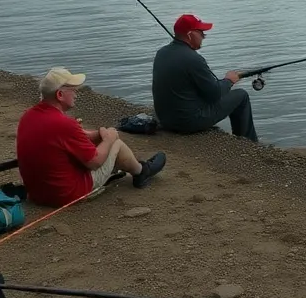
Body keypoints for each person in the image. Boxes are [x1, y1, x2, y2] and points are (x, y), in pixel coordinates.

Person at [16, 67, 165, 207]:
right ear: (60, 95)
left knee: (104, 142)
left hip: (37, 193)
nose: (76, 93)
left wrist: (97, 135)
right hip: (65, 194)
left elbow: (67, 140)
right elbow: (94, 162)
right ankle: (141, 171)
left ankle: (135, 167)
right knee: (116, 144)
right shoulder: (64, 124)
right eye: (73, 90)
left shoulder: (28, 116)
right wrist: (110, 138)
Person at [151, 13, 258, 142]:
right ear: (190, 34)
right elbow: (215, 94)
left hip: (164, 119)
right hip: (186, 123)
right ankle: (248, 142)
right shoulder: (193, 59)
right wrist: (229, 81)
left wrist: (220, 84)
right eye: (201, 32)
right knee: (241, 95)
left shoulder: (161, 53)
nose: (203, 36)